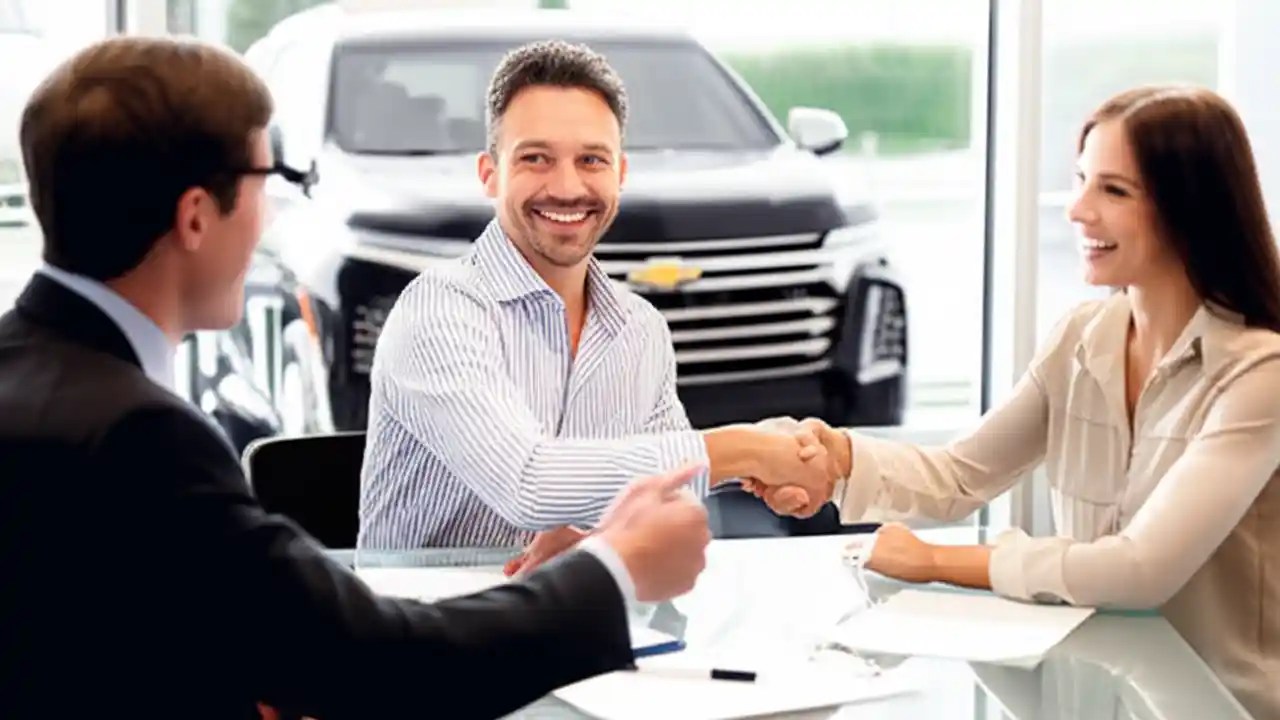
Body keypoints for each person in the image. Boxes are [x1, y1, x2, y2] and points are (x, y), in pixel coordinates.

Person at [0, 36, 715, 720]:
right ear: (195, 217)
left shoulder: (38, 383)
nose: (272, 217)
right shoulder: (143, 437)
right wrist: (612, 571)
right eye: (268, 182)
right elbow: (381, 665)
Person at [749, 85, 1280, 718]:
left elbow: (1140, 571)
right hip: (1095, 692)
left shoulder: (1259, 375)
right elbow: (959, 477)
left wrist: (938, 562)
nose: (1078, 210)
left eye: (1114, 190)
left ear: (1191, 207)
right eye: (1082, 181)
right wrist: (835, 458)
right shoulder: (1083, 337)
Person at [359, 39, 826, 552]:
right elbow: (528, 483)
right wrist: (744, 452)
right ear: (490, 176)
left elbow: (673, 509)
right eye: (535, 158)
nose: (566, 186)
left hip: (574, 613)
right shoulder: (438, 311)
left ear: (620, 175)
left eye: (592, 160)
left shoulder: (639, 328)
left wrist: (768, 461)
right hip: (429, 621)